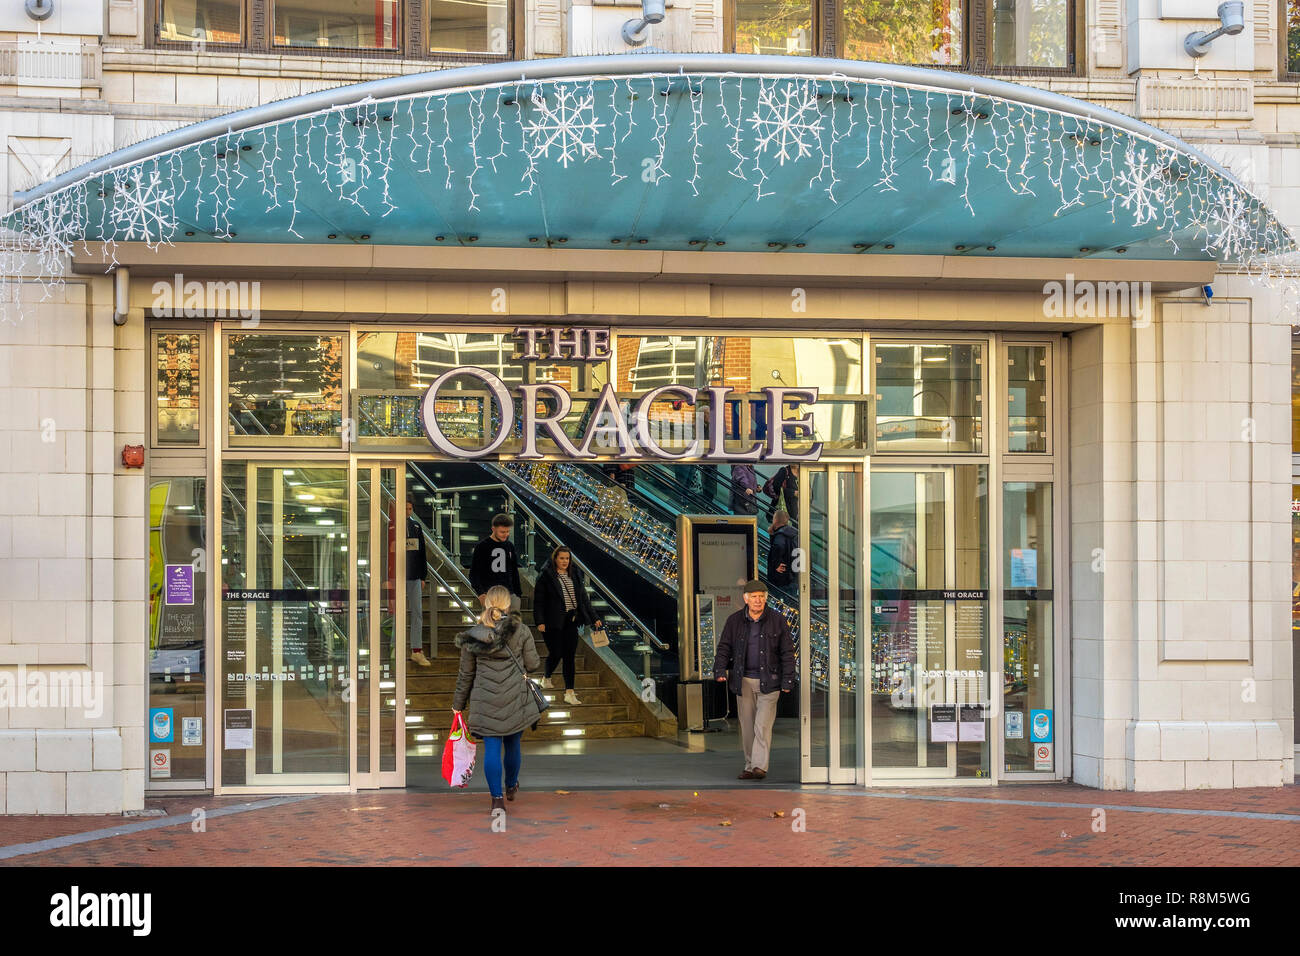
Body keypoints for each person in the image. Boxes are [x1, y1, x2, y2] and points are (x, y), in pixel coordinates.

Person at [453, 585, 543, 813]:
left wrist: (458, 705)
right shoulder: (521, 631)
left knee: (492, 748)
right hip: (515, 697)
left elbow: (466, 674)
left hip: (485, 700)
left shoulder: (473, 635)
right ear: (508, 605)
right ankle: (511, 785)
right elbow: (533, 665)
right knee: (513, 745)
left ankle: (496, 799)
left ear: (486, 603)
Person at [713, 579, 794, 780]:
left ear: (766, 599)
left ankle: (759, 766)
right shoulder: (734, 621)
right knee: (748, 727)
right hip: (744, 681)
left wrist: (788, 680)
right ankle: (750, 765)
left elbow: (787, 652)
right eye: (754, 597)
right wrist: (719, 669)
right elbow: (724, 647)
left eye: (761, 597)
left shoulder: (778, 620)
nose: (758, 601)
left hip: (770, 681)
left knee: (762, 725)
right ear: (746, 599)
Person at [533, 546, 603, 706]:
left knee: (569, 657)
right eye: (561, 558)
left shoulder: (575, 574)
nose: (564, 561)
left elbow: (583, 598)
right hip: (552, 621)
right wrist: (540, 621)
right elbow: (539, 601)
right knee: (556, 652)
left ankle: (569, 692)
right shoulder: (546, 576)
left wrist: (594, 618)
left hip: (572, 620)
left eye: (567, 558)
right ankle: (547, 677)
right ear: (555, 559)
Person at [470, 514, 522, 610]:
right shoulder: (482, 546)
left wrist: (518, 594)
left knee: (513, 624)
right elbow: (474, 573)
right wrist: (481, 594)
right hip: (490, 594)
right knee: (491, 623)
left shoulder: (510, 546)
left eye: (508, 531)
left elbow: (514, 571)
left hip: (509, 594)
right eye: (502, 532)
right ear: (493, 529)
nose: (506, 534)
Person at [406, 499, 432, 667]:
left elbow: (422, 553)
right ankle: (396, 647)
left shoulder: (416, 527)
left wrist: (423, 576)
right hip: (398, 577)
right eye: (405, 508)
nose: (407, 511)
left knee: (417, 613)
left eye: (410, 508)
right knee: (396, 615)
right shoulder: (391, 526)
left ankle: (417, 650)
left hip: (415, 577)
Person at [767, 509, 797, 597]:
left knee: (779, 604)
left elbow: (779, 546)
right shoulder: (794, 533)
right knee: (791, 603)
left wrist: (776, 564)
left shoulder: (781, 535)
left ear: (775, 520)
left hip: (781, 578)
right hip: (793, 575)